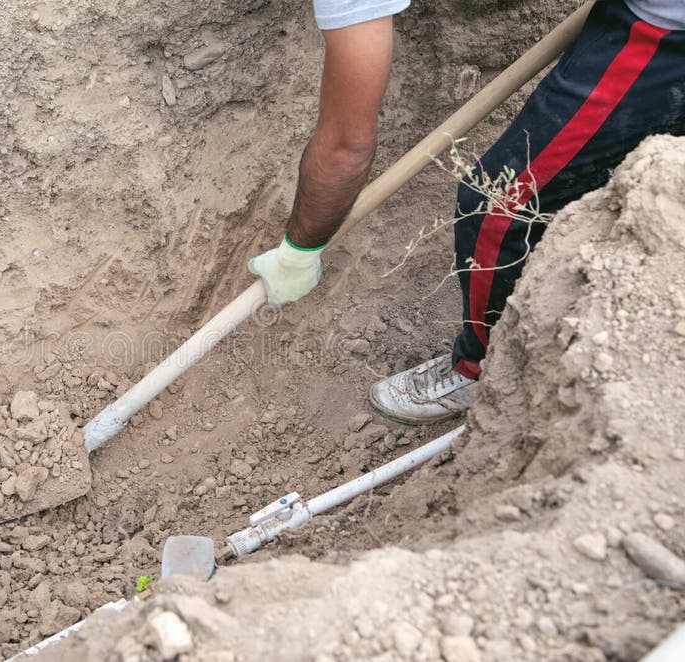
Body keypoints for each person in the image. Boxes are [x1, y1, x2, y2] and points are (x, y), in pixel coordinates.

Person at [247, 0, 685, 425]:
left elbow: (345, 148)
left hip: (666, 35)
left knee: (498, 206)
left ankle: (480, 369)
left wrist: (298, 253)